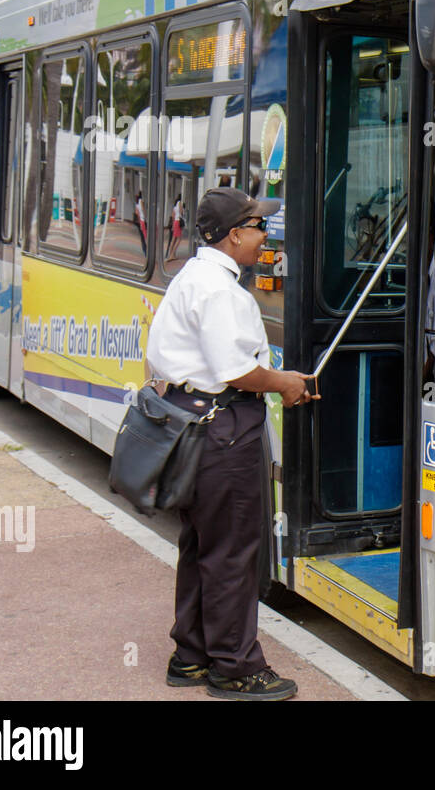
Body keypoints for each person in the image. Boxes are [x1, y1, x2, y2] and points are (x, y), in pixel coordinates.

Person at [146, 186, 318, 701]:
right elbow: (235, 371)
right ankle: (235, 667)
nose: (266, 235)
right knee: (233, 553)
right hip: (225, 432)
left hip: (195, 425)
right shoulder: (221, 291)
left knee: (201, 544)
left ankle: (192, 656)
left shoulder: (192, 276)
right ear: (234, 235)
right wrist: (285, 381)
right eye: (258, 226)